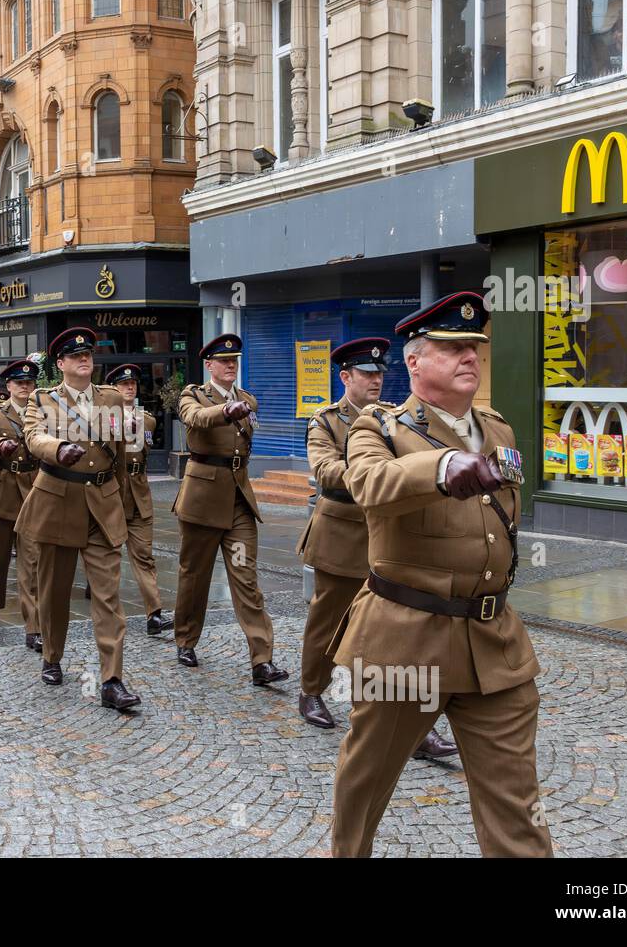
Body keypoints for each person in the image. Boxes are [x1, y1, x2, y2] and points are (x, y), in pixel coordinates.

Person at [330, 291, 551, 858]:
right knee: (366, 782)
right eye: (453, 347)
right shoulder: (377, 428)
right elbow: (369, 486)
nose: (470, 358)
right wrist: (444, 465)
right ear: (415, 361)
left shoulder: (498, 430)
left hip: (491, 642)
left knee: (516, 803)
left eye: (475, 347)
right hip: (406, 640)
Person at [295, 338, 458, 761]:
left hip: (388, 537)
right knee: (328, 621)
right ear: (345, 377)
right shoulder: (326, 421)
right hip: (341, 533)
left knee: (396, 631)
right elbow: (323, 469)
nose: (375, 380)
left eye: (380, 373)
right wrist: (372, 474)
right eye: (366, 374)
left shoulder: (392, 418)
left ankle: (413, 725)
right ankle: (311, 690)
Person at [15, 327, 141, 711]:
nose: (83, 359)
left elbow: (119, 454)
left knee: (108, 595)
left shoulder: (112, 399)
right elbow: (33, 437)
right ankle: (52, 655)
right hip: (58, 502)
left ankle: (112, 679)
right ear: (61, 364)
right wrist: (58, 449)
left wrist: (119, 499)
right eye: (74, 356)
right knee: (54, 590)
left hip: (102, 505)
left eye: (87, 354)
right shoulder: (42, 400)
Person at [172, 334, 289, 686]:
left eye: (234, 360)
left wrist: (236, 407)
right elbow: (195, 418)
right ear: (209, 365)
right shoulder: (193, 395)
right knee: (195, 575)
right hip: (203, 502)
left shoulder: (247, 399)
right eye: (223, 361)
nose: (230, 365)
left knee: (245, 578)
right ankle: (186, 639)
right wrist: (225, 411)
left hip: (238, 502)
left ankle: (262, 659)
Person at [0, 359, 42, 641]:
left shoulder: (43, 409)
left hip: (35, 487)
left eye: (29, 383)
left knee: (32, 560)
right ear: (9, 386)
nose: (24, 387)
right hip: (2, 488)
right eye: (19, 383)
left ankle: (34, 626)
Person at [105, 363, 174, 635]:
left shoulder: (148, 420)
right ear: (113, 389)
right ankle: (106, 610)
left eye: (132, 384)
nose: (129, 388)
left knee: (144, 556)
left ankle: (154, 614)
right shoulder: (103, 418)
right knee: (107, 557)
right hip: (113, 493)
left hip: (139, 493)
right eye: (123, 384)